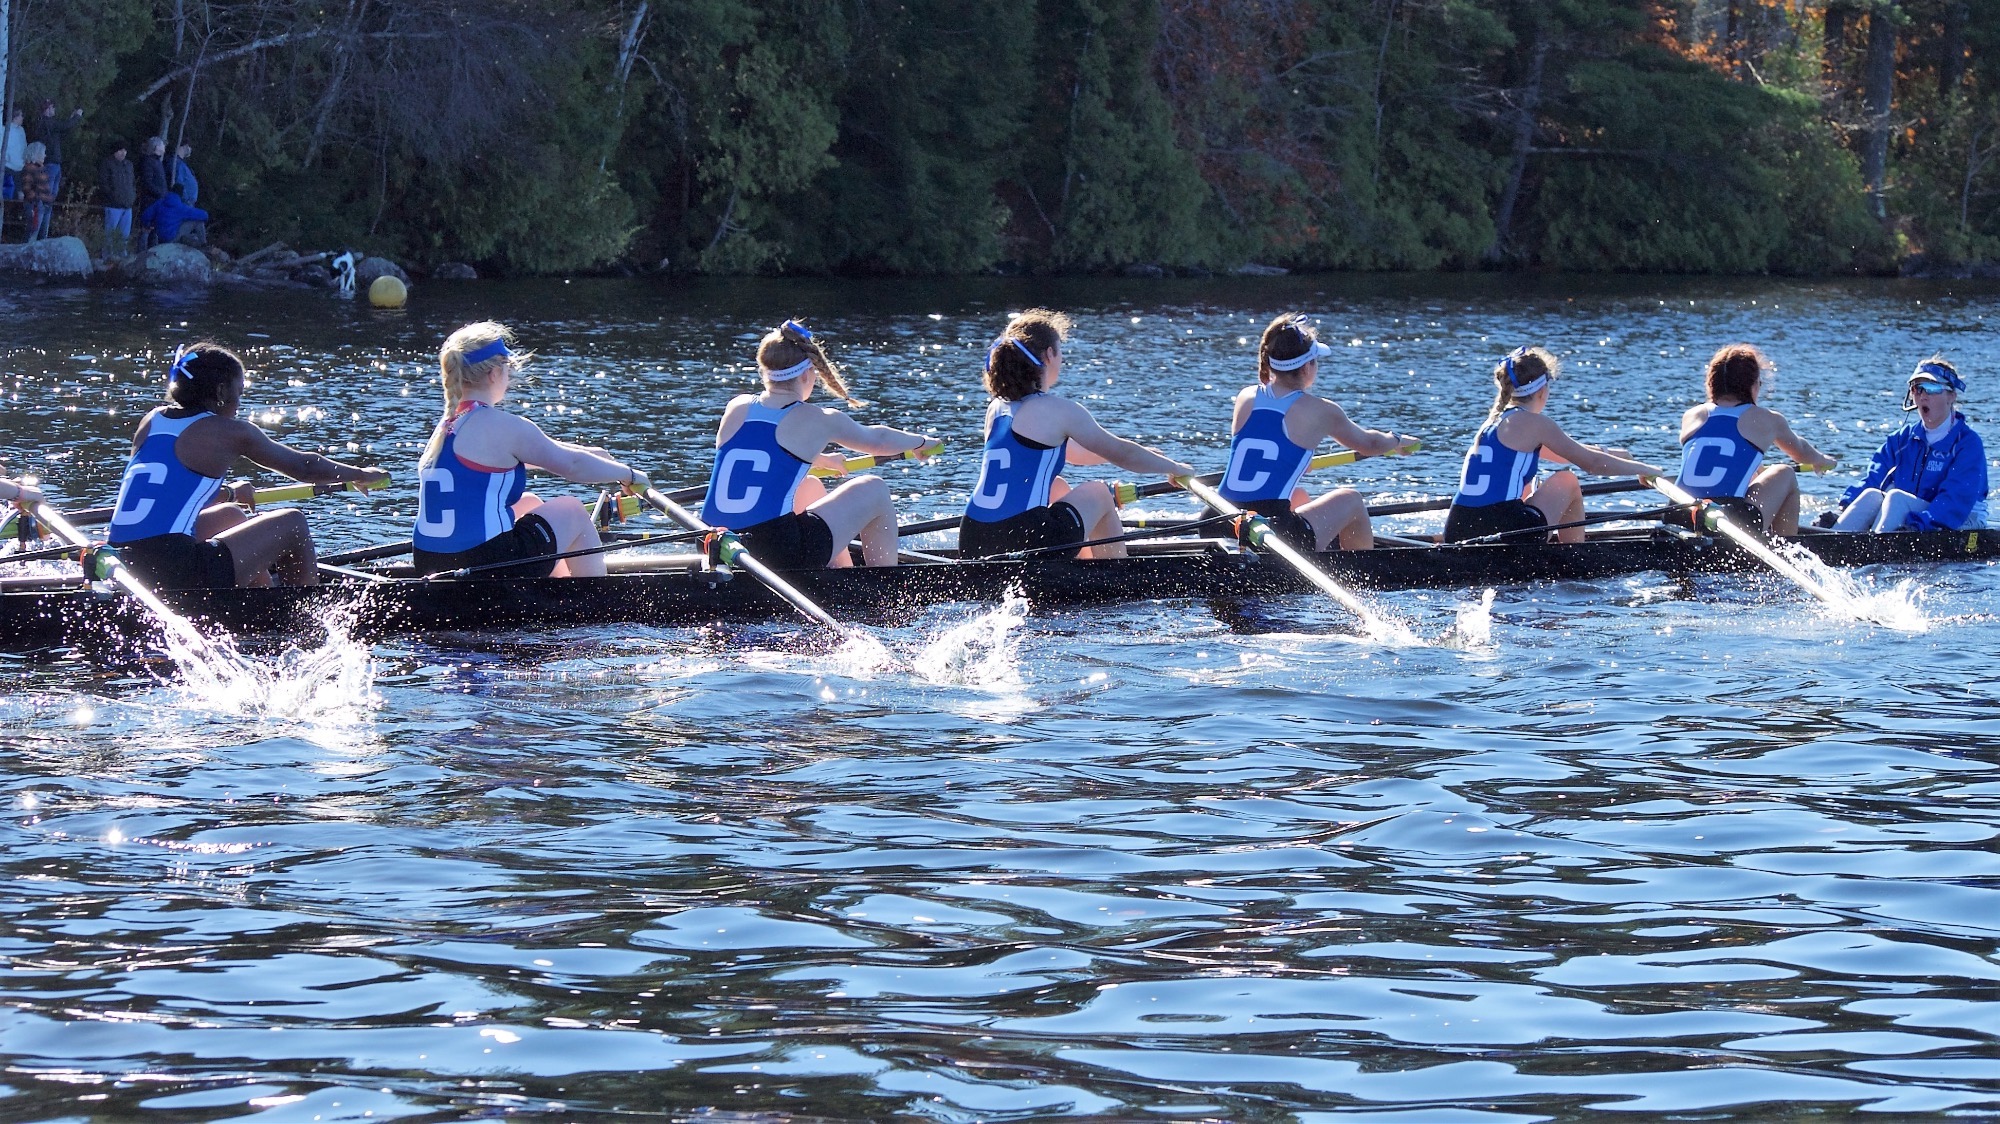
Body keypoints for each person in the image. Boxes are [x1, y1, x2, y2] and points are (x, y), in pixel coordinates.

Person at [106, 344, 390, 590]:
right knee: (293, 523)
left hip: (122, 562)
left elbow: (168, 495)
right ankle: (304, 622)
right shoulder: (231, 432)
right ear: (220, 391)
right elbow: (305, 467)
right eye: (239, 392)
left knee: (229, 515)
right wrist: (361, 474)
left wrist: (229, 493)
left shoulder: (152, 421)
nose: (239, 403)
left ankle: (258, 600)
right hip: (173, 572)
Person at [413, 322, 644, 578]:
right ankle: (594, 604)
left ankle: (556, 585)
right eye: (507, 368)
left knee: (529, 504)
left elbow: (548, 453)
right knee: (572, 510)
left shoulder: (449, 424)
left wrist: (592, 454)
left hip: (428, 563)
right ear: (494, 374)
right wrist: (629, 474)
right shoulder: (504, 425)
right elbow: (572, 466)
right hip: (484, 564)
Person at [701, 320, 937, 568]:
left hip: (712, 542)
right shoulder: (819, 419)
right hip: (773, 552)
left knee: (810, 486)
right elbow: (877, 441)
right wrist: (921, 441)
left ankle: (843, 574)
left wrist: (823, 460)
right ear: (806, 374)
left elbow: (767, 448)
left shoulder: (737, 407)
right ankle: (883, 592)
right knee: (875, 489)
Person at [960, 309, 1193, 560]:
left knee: (1057, 487)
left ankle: (1081, 563)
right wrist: (1174, 467)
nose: (1062, 360)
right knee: (1099, 492)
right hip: (1024, 537)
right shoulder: (1059, 410)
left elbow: (1073, 454)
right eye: (1061, 352)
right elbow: (1123, 454)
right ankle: (1115, 577)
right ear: (1050, 354)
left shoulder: (996, 408)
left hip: (973, 537)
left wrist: (1151, 458)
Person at [1217, 313, 1418, 550]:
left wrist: (1297, 464)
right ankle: (1361, 574)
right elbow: (1371, 445)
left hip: (1219, 516)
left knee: (1299, 495)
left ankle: (1321, 548)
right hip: (1269, 532)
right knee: (1351, 499)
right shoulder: (1322, 410)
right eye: (1316, 361)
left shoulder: (1246, 396)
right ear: (1306, 367)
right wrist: (1396, 440)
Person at [1444, 346, 1661, 544]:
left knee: (1529, 488)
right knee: (1567, 481)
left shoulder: (1494, 422)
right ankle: (1575, 557)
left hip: (1457, 527)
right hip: (1502, 529)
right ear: (1542, 391)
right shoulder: (1536, 423)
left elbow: (1568, 453)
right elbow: (1592, 464)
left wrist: (1616, 454)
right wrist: (1644, 469)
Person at [1673, 344, 1834, 535]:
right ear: (1754, 384)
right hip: (1727, 524)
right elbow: (1802, 453)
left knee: (1755, 473)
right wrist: (1822, 461)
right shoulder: (1766, 419)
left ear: (1711, 384)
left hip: (1678, 515)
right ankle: (1786, 548)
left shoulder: (1692, 415)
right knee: (1785, 473)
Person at [1826, 357, 1988, 533]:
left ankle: (1877, 552)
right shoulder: (1899, 441)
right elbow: (1872, 480)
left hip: (1961, 518)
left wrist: (1920, 523)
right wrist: (1843, 510)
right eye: (1917, 389)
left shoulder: (1968, 444)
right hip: (1915, 516)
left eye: (1932, 388)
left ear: (1951, 396)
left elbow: (1956, 499)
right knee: (1871, 496)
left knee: (1896, 499)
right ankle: (1829, 543)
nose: (1923, 396)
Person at [31, 101, 80, 199]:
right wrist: (76, 116)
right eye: (52, 108)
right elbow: (64, 126)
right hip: (50, 162)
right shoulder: (47, 123)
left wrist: (71, 119)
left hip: (55, 163)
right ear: (47, 109)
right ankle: (41, 213)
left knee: (52, 195)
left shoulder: (49, 125)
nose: (54, 110)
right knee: (47, 194)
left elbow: (64, 132)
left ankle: (45, 212)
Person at [99, 142, 136, 255]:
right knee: (109, 235)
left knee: (124, 236)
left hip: (128, 205)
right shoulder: (107, 164)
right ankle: (107, 258)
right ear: (115, 151)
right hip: (113, 206)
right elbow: (104, 183)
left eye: (125, 150)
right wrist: (112, 196)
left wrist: (132, 195)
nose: (123, 152)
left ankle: (121, 259)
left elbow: (132, 183)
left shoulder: (129, 165)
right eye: (120, 150)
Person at [143, 188, 208, 245]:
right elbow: (203, 215)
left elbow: (145, 215)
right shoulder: (181, 207)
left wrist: (148, 224)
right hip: (172, 238)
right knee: (198, 221)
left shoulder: (159, 203)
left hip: (159, 237)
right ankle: (203, 243)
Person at [137, 137, 167, 249]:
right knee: (146, 229)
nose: (164, 147)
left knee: (154, 231)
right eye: (162, 145)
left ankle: (151, 255)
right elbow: (147, 182)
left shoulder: (157, 162)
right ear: (156, 147)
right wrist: (160, 193)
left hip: (157, 202)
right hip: (150, 202)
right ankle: (141, 255)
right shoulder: (148, 161)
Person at [17, 143, 51, 242]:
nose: (45, 155)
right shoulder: (30, 168)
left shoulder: (40, 169)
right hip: (36, 206)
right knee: (32, 234)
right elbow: (27, 189)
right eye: (43, 153)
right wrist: (38, 199)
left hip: (43, 205)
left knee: (40, 235)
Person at [3, 109, 25, 205]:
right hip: (8, 166)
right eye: (21, 115)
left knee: (20, 195)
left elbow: (24, 145)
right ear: (15, 117)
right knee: (9, 194)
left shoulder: (21, 130)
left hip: (20, 166)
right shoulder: (5, 129)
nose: (22, 118)